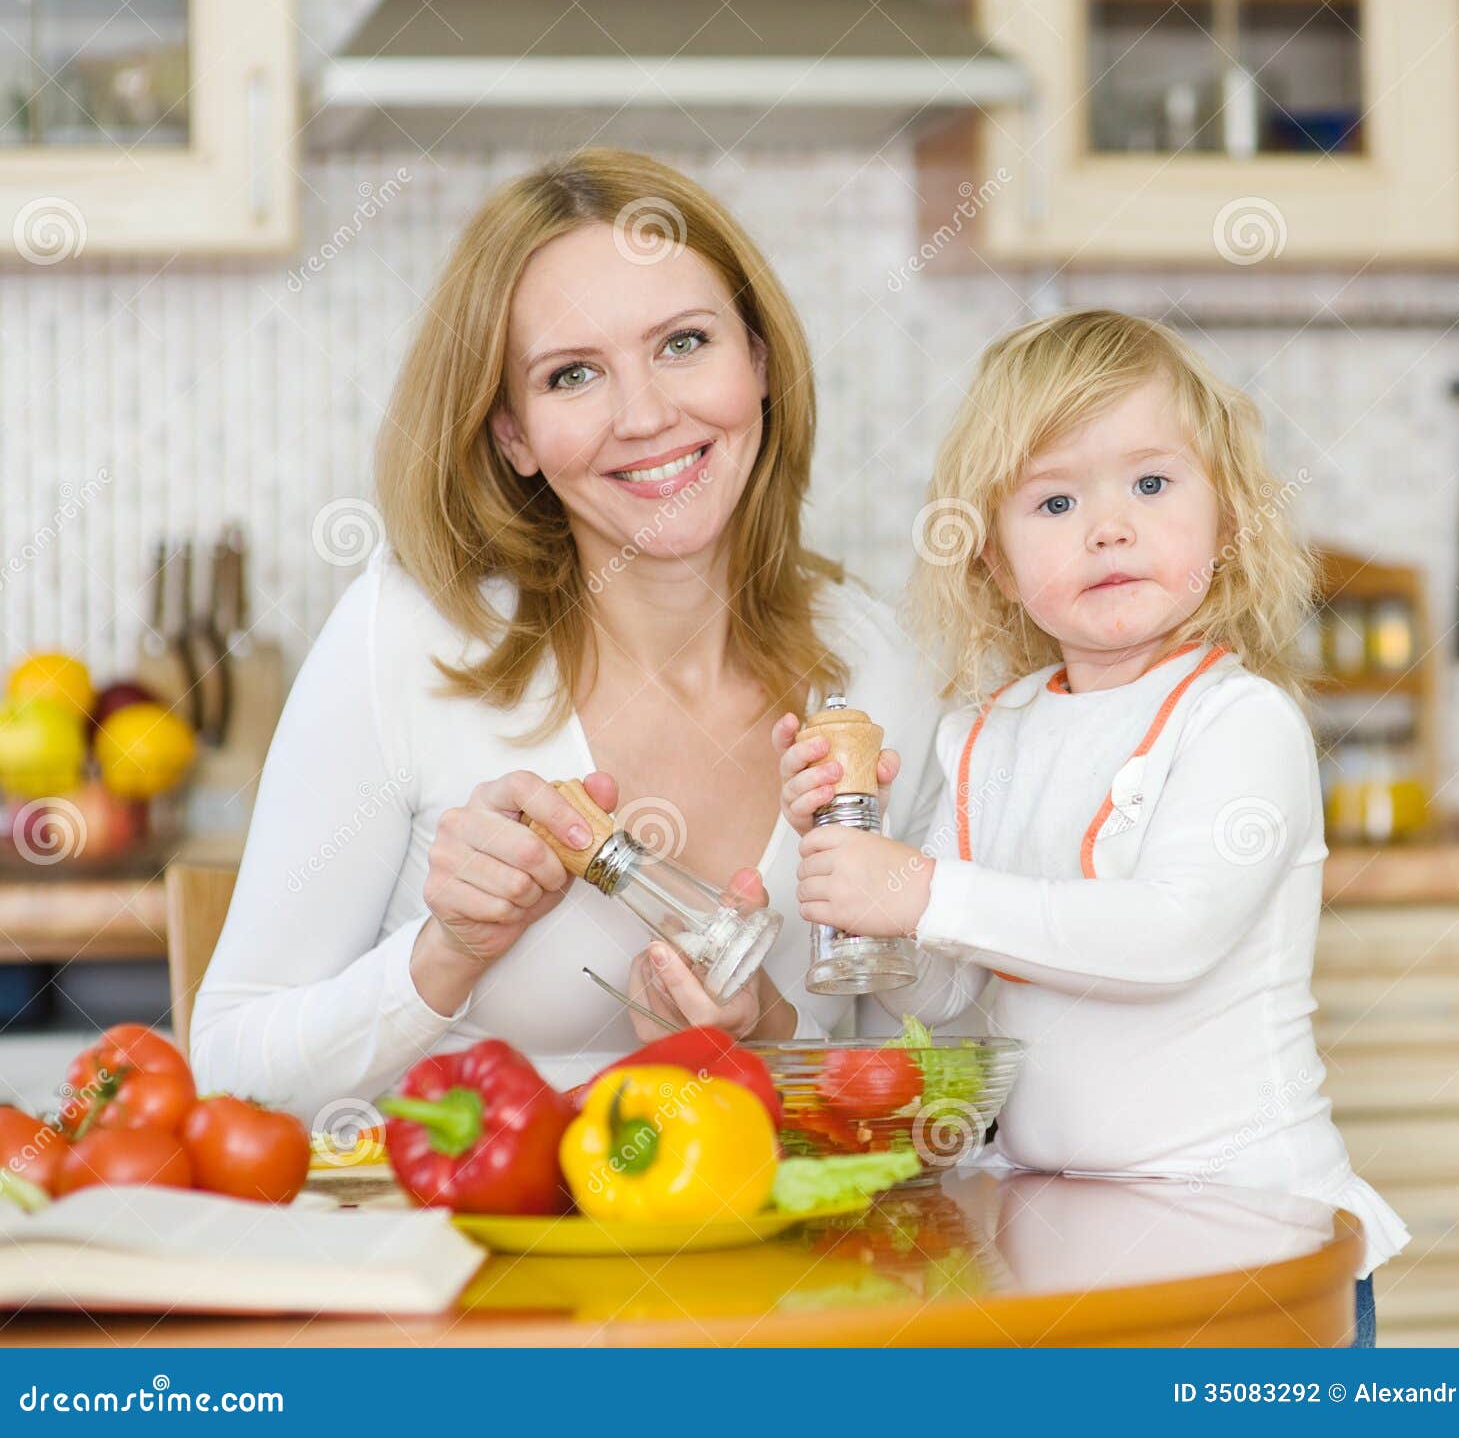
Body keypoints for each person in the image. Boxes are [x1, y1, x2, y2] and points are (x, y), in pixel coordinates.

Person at [190, 149, 940, 1122]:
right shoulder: (411, 637)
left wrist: (763, 1036)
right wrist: (445, 952)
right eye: (572, 374)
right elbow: (230, 1073)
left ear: (756, 360)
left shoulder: (879, 668)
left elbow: (922, 1095)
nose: (644, 415)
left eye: (683, 343)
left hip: (761, 1267)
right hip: (450, 1257)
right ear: (513, 436)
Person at [775, 309, 1407, 1346]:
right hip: (1066, 1240)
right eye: (1055, 500)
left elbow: (1166, 939)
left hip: (1252, 1242)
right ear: (989, 560)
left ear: (1230, 519)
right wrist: (864, 882)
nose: (1106, 527)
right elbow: (945, 986)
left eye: (1151, 486)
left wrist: (921, 891)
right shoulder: (987, 738)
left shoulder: (1238, 721)